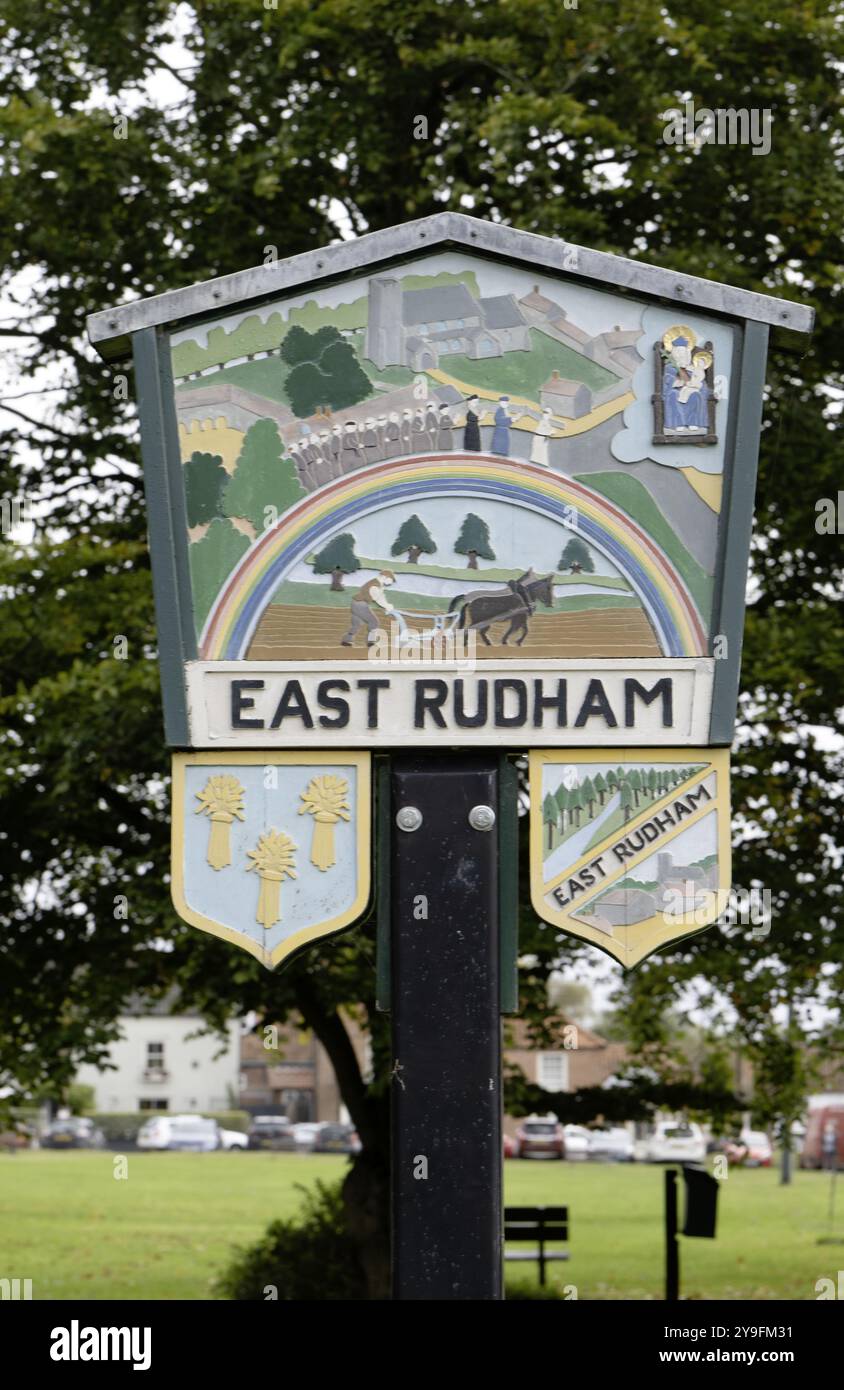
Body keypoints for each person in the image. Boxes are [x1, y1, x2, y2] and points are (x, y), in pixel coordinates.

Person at [340, 569, 397, 647]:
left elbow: (382, 596)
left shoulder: (378, 584)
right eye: (391, 580)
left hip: (356, 603)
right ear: (384, 577)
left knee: (356, 624)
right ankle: (371, 642)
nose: (391, 582)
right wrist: (387, 606)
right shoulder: (375, 585)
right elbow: (377, 598)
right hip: (361, 604)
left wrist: (387, 605)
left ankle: (346, 640)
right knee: (374, 622)